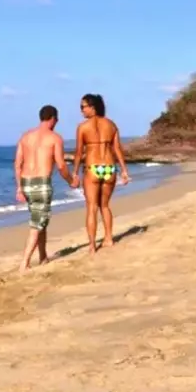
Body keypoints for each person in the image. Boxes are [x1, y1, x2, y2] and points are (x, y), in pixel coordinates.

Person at [14, 104, 74, 271]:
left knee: (40, 221)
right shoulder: (55, 138)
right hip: (41, 183)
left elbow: (18, 163)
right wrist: (71, 181)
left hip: (26, 182)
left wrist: (19, 187)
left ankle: (42, 256)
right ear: (53, 118)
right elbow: (61, 165)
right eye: (57, 119)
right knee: (37, 224)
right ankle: (24, 263)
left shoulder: (25, 137)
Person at [71, 93, 130, 255]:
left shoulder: (83, 127)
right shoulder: (111, 125)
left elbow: (78, 152)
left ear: (92, 107)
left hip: (92, 168)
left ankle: (91, 246)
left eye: (83, 107)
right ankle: (109, 238)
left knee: (92, 207)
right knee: (104, 205)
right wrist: (124, 171)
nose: (81, 110)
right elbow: (117, 149)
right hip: (109, 168)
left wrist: (75, 173)